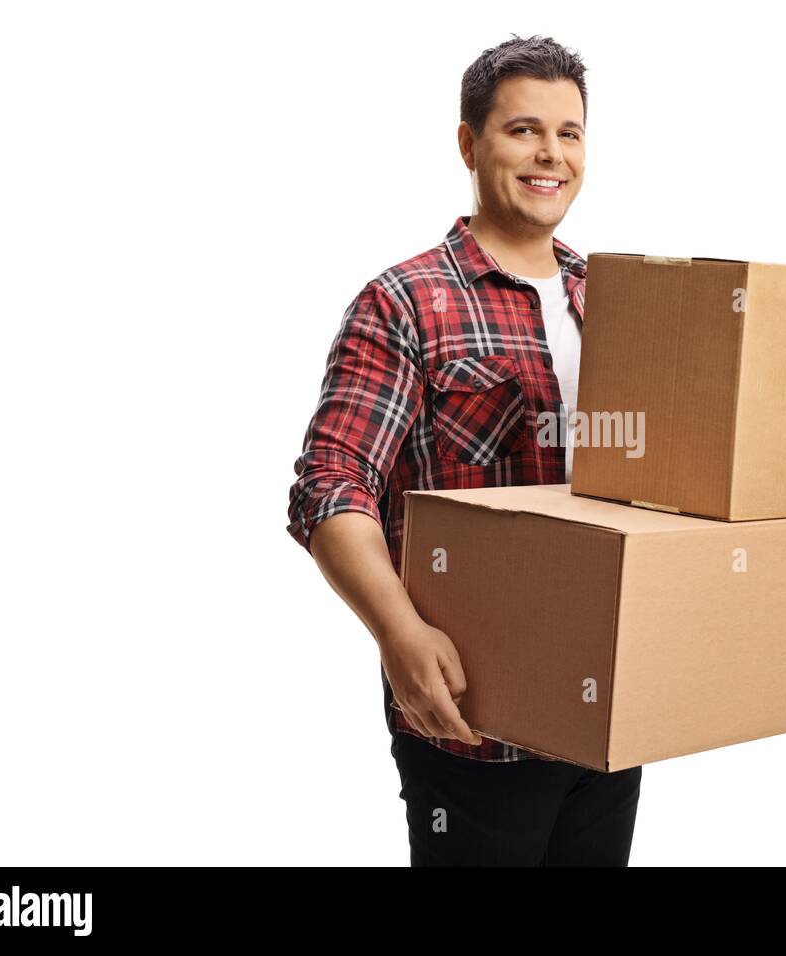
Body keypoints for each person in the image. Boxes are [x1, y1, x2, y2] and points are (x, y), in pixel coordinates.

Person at [286, 34, 642, 866]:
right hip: (474, 719)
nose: (550, 154)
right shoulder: (405, 302)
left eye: (570, 132)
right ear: (468, 142)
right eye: (523, 130)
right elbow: (331, 487)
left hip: (613, 708)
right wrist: (397, 634)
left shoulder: (623, 303)